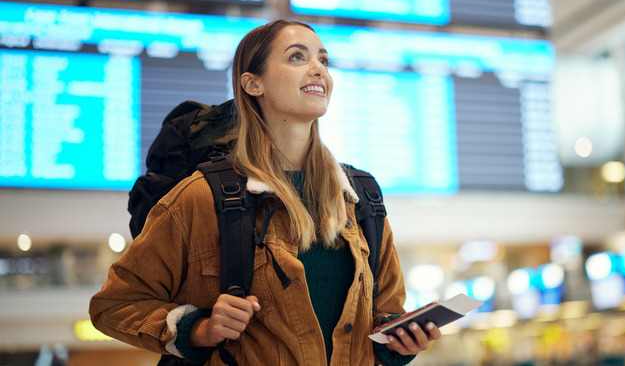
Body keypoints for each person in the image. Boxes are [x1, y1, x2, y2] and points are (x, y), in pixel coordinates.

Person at [89, 19, 441, 365]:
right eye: (297, 58)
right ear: (252, 84)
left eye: (324, 60)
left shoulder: (360, 197)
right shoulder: (201, 196)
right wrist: (199, 329)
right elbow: (115, 305)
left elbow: (386, 313)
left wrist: (397, 342)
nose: (319, 69)